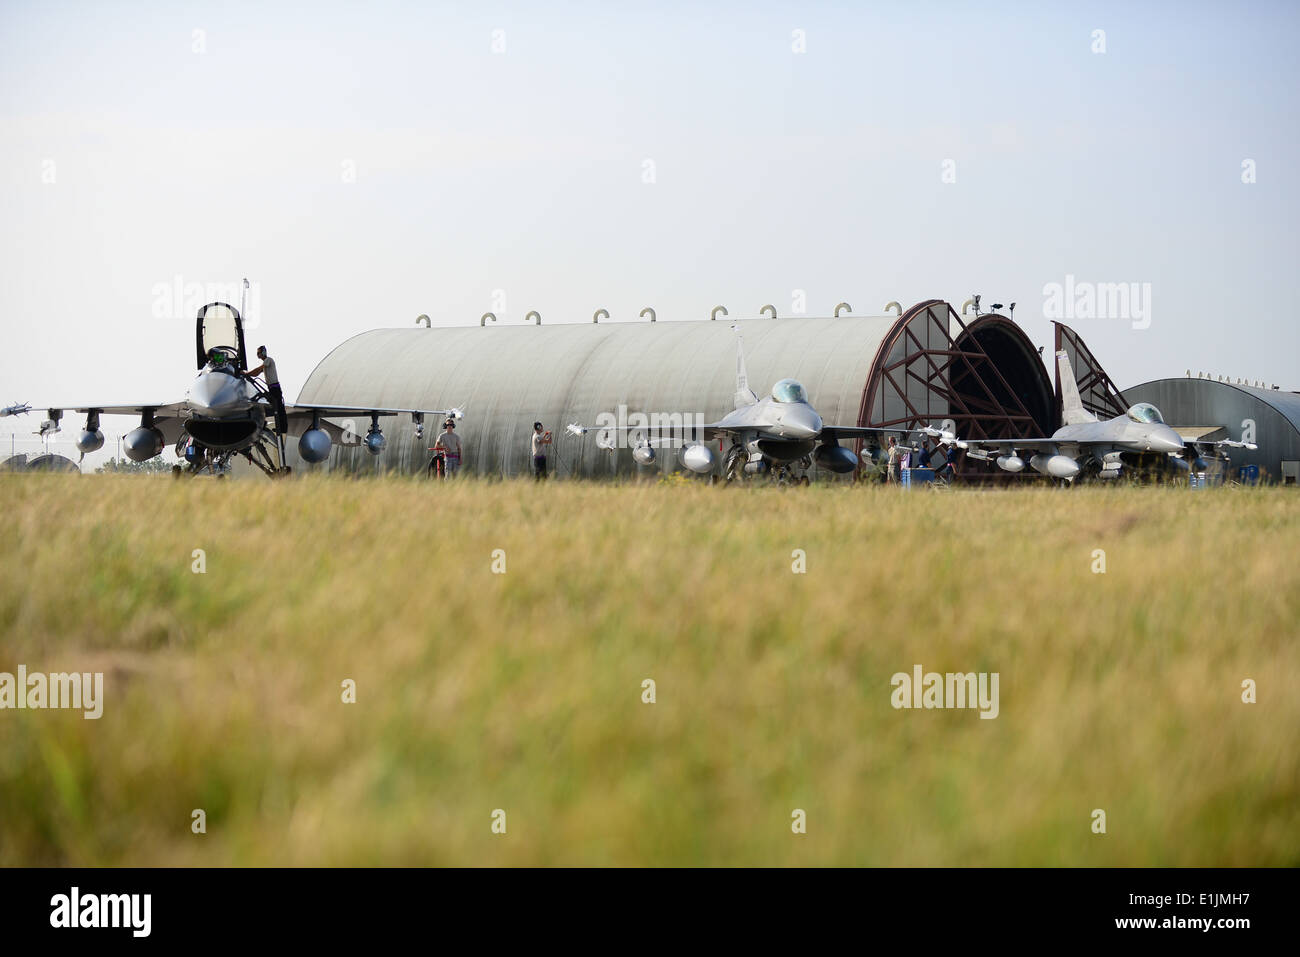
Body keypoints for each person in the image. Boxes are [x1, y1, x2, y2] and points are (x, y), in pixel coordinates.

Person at [246, 346, 288, 437]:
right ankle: (280, 426)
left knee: (279, 408)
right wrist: (248, 374)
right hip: (272, 388)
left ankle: (283, 427)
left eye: (259, 353)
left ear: (264, 352)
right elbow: (257, 373)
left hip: (275, 388)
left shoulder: (268, 360)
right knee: (275, 407)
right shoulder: (265, 363)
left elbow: (257, 371)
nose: (259, 355)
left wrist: (246, 374)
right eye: (258, 353)